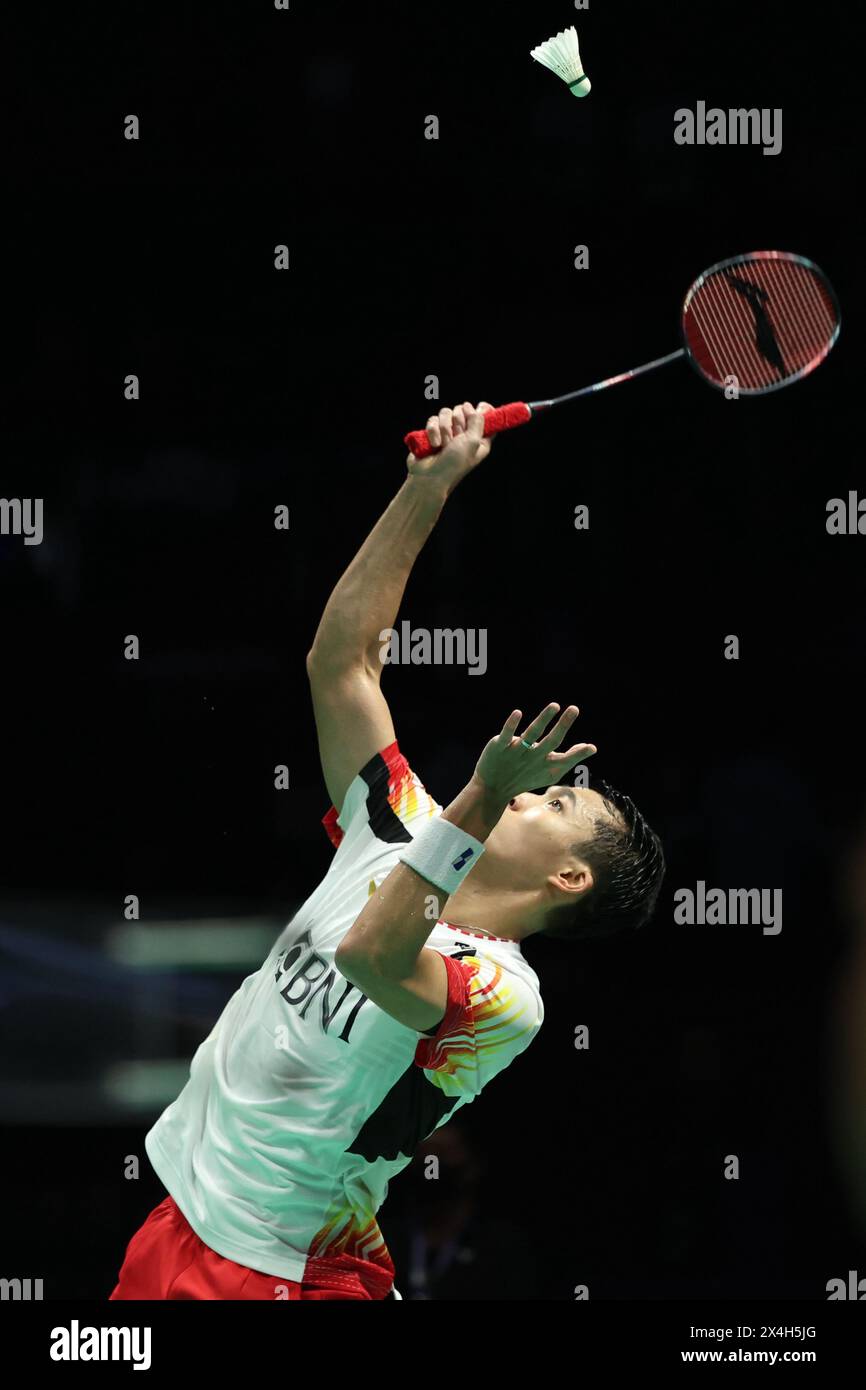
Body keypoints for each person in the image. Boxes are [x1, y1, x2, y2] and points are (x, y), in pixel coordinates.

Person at [109, 401, 665, 1301]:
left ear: (569, 878)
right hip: (180, 1218)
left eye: (556, 800)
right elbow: (343, 664)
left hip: (281, 1268)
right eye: (537, 786)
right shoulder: (401, 824)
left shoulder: (504, 998)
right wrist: (427, 490)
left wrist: (482, 795)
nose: (530, 793)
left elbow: (373, 954)